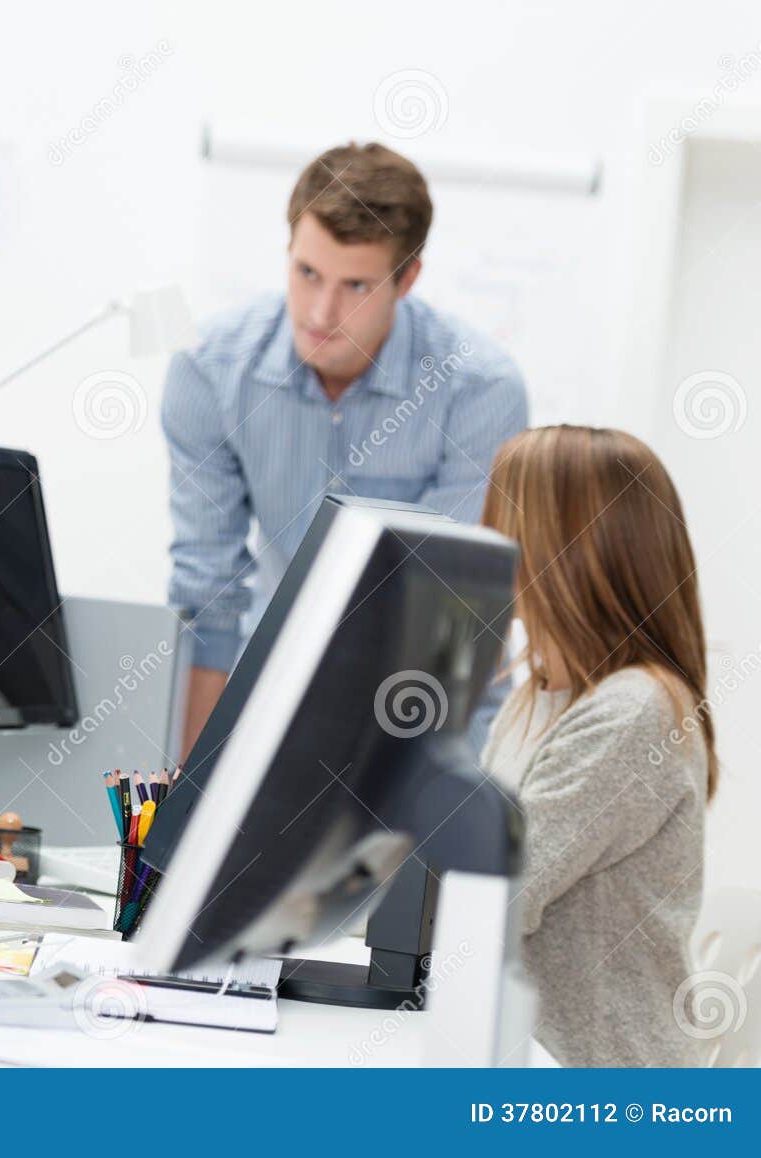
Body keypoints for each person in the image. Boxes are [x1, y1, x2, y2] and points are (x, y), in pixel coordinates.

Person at [164, 142, 529, 752]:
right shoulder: (210, 372)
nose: (320, 312)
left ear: (406, 277)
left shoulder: (479, 391)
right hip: (277, 699)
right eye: (307, 273)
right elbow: (210, 599)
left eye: (355, 285)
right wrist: (190, 793)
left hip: (429, 704)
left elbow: (446, 613)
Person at [480, 426, 713, 1067]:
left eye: (501, 520)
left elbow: (495, 895)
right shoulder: (542, 692)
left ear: (562, 549)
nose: (485, 542)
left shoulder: (632, 713)